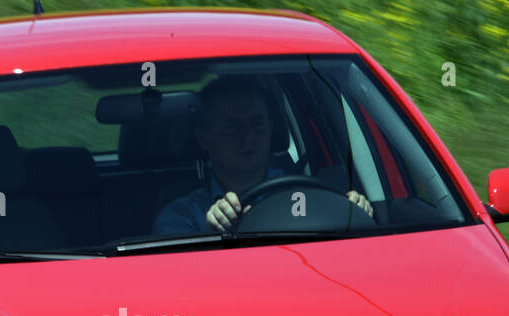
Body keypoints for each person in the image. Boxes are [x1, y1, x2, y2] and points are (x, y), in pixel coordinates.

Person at [152, 76, 373, 235]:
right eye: (233, 127)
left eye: (256, 123)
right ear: (204, 138)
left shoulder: (307, 194)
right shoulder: (181, 217)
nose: (248, 136)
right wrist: (212, 236)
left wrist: (353, 212)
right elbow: (179, 284)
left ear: (270, 128)